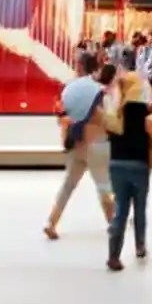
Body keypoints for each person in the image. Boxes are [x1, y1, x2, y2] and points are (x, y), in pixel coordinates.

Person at [44, 55, 114, 239]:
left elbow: (61, 115)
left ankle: (51, 222)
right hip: (98, 142)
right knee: (104, 185)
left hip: (76, 143)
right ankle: (113, 222)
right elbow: (108, 118)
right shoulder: (99, 91)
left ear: (80, 66)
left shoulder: (69, 89)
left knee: (68, 185)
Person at [103, 72, 152, 271]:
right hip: (139, 165)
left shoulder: (115, 111)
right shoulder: (145, 111)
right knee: (140, 208)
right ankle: (140, 246)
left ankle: (114, 255)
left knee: (120, 210)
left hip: (117, 164)